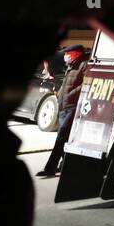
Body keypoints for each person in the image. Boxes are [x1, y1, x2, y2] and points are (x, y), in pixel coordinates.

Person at [36, 45, 88, 178]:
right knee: (65, 138)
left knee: (61, 138)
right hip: (64, 107)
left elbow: (87, 84)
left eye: (68, 53)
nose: (66, 56)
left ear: (76, 53)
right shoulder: (71, 66)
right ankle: (63, 166)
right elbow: (66, 84)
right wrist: (60, 94)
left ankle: (50, 168)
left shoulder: (84, 64)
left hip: (73, 107)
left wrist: (71, 94)